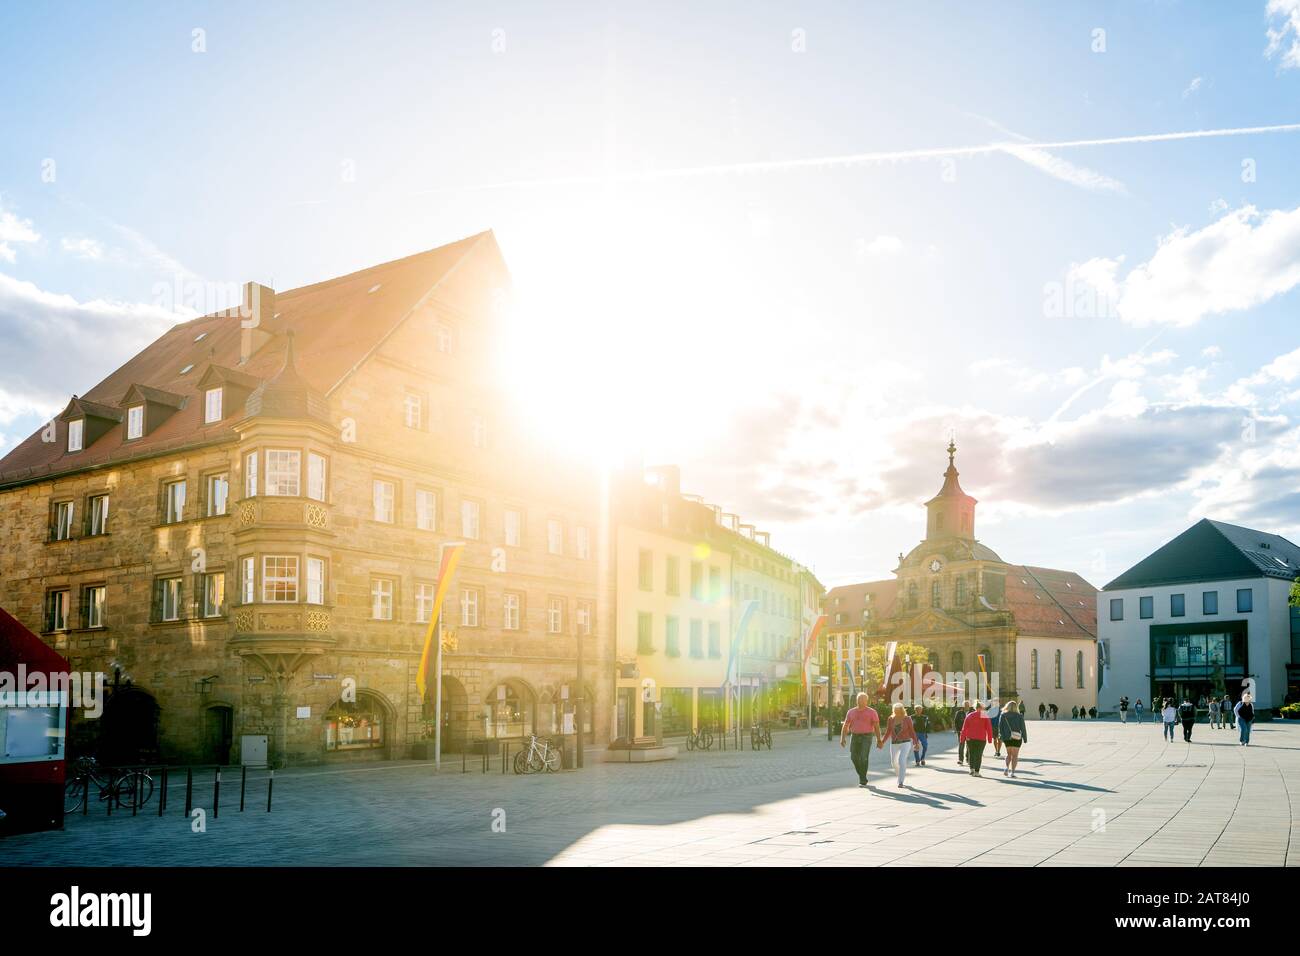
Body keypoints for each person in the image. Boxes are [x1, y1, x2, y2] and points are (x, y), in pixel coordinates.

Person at [839, 692, 882, 788]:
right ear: (857, 700)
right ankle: (862, 776)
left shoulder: (872, 712)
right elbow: (845, 725)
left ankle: (862, 779)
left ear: (867, 701)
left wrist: (879, 740)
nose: (861, 701)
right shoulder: (851, 712)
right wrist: (842, 738)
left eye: (863, 699)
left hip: (867, 737)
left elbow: (876, 727)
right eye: (859, 699)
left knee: (863, 757)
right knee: (853, 757)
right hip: (854, 736)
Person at [879, 702, 920, 787]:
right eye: (895, 710)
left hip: (905, 742)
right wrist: (882, 742)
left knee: (901, 760)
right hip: (894, 743)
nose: (897, 712)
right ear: (893, 710)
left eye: (898, 710)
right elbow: (888, 732)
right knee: (893, 762)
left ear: (902, 710)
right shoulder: (891, 719)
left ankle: (900, 781)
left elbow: (912, 731)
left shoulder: (907, 719)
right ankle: (900, 776)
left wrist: (916, 742)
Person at [960, 701, 994, 777]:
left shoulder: (969, 715)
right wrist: (989, 739)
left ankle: (971, 769)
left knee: (971, 754)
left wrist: (962, 739)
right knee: (979, 755)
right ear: (981, 708)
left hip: (970, 738)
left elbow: (964, 728)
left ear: (975, 708)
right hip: (981, 738)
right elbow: (989, 728)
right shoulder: (984, 716)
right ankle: (977, 771)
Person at [999, 700, 1028, 778]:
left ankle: (1006, 768)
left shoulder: (1003, 715)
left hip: (1007, 738)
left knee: (1008, 754)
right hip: (1017, 737)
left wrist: (1001, 736)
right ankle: (1012, 772)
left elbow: (1000, 727)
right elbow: (1023, 728)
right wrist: (1025, 738)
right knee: (1015, 755)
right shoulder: (1019, 716)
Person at [953, 700, 970, 765]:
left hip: (969, 732)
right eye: (965, 705)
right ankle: (960, 760)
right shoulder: (959, 713)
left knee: (969, 746)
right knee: (961, 745)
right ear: (963, 706)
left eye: (968, 705)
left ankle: (968, 759)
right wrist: (958, 730)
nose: (966, 706)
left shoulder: (972, 712)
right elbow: (955, 722)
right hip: (961, 732)